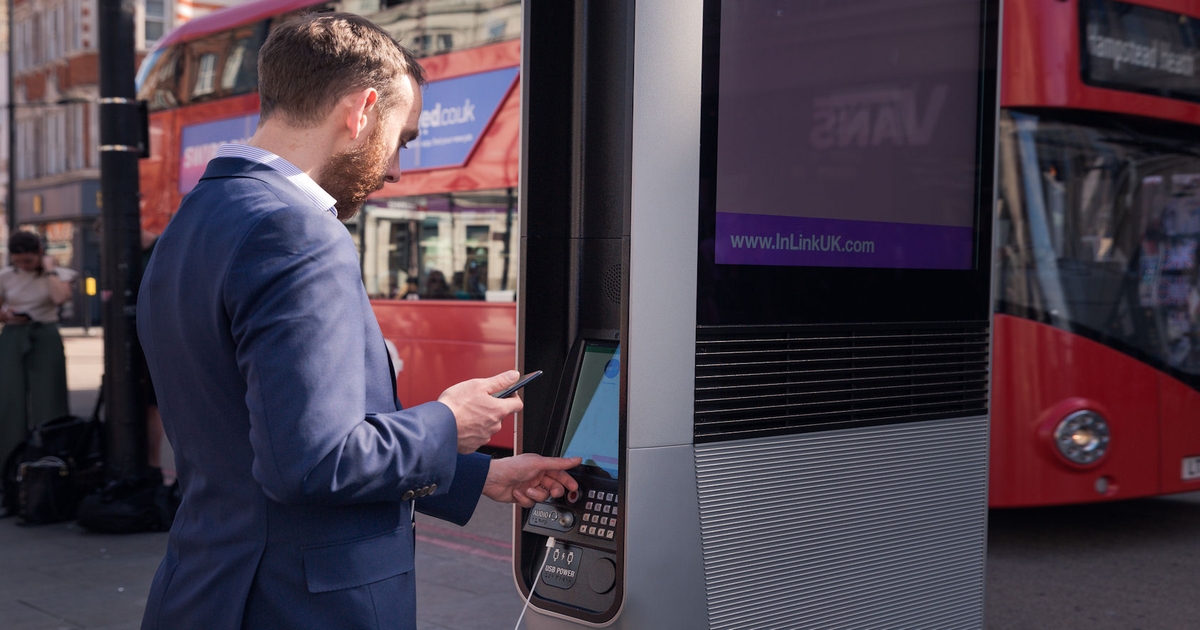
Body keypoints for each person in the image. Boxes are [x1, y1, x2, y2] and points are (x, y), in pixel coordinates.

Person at [136, 14, 579, 630]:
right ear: (363, 110)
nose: (396, 169)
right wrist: (449, 424)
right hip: (299, 605)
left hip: (208, 589)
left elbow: (248, 442)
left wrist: (476, 475)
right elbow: (314, 463)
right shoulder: (295, 230)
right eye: (403, 137)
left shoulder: (193, 221)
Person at [0, 231, 76, 467]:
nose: (23, 265)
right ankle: (10, 463)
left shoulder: (57, 274)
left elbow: (59, 298)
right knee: (10, 398)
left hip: (45, 333)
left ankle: (51, 459)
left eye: (28, 260)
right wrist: (7, 315)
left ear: (40, 254)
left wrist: (48, 270)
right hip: (13, 334)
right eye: (18, 260)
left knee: (50, 397)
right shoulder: (5, 276)